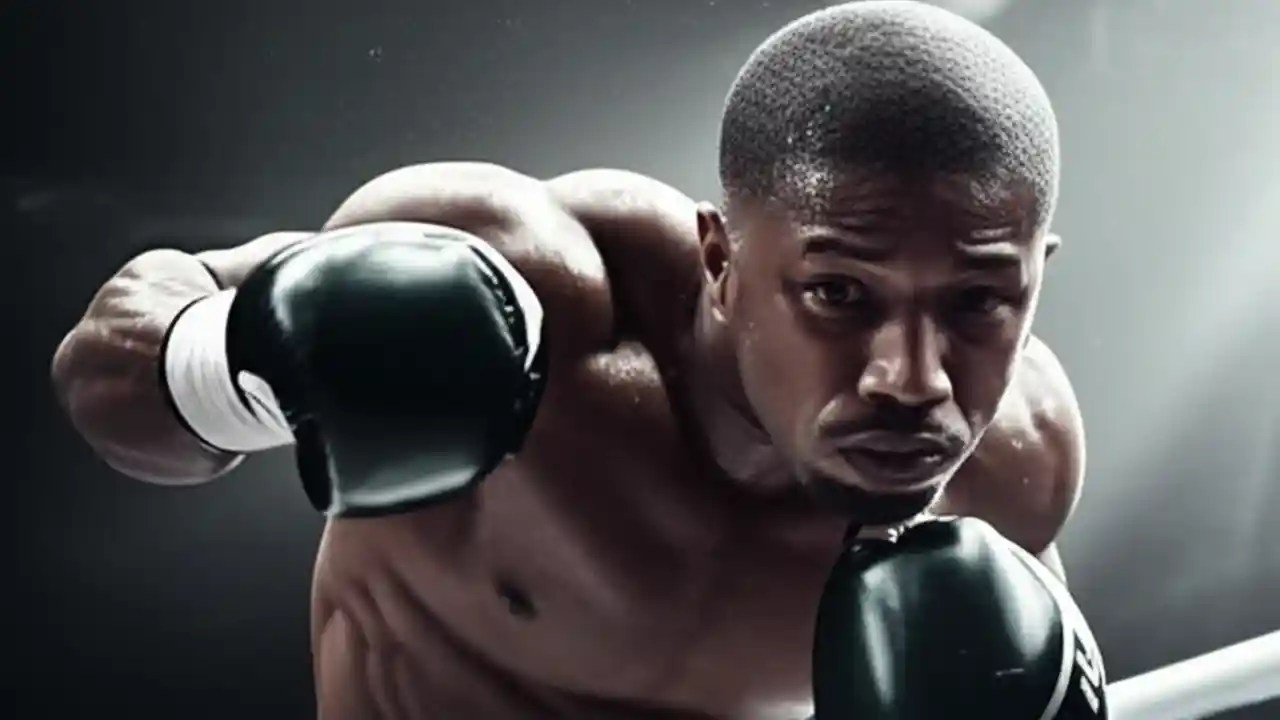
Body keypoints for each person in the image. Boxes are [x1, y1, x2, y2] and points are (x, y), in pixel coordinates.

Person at [50, 2, 1095, 718]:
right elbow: (101, 370)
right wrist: (228, 368)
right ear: (719, 258)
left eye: (976, 301)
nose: (912, 380)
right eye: (836, 293)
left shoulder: (1005, 483)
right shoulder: (530, 289)